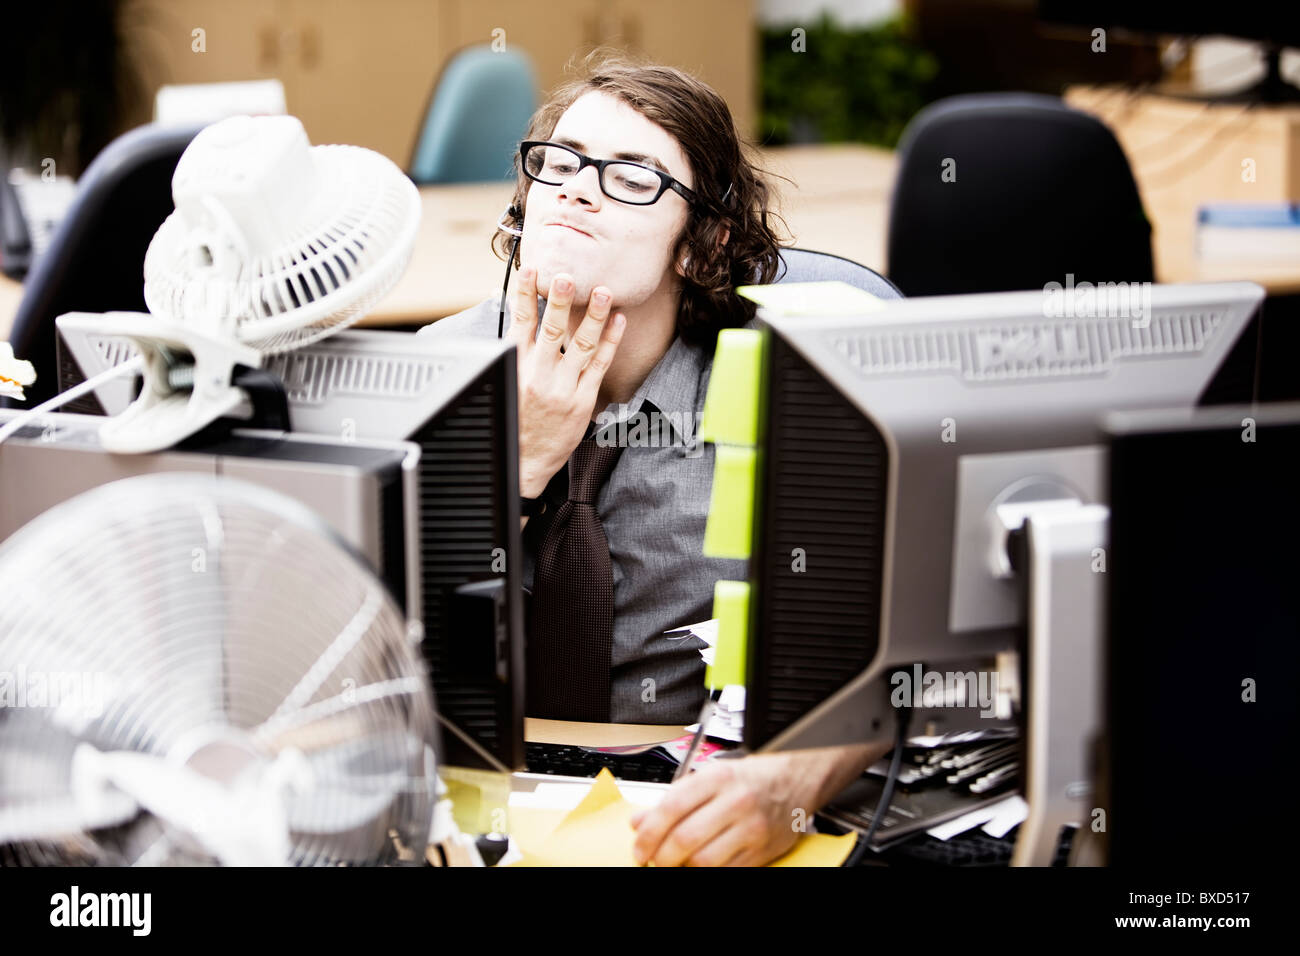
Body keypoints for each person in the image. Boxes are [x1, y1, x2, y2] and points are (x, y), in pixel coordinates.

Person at [419, 53, 889, 866]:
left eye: (631, 177)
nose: (575, 188)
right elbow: (365, 635)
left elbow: (898, 641)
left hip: (690, 795)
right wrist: (518, 467)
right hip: (476, 795)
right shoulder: (432, 372)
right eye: (558, 164)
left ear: (700, 241)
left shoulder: (792, 395)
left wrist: (798, 776)